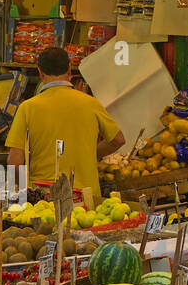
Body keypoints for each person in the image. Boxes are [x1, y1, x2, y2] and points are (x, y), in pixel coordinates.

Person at [6, 46, 124, 198]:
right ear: (69, 70)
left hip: (45, 197)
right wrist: (91, 155)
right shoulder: (91, 103)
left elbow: (14, 162)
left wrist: (26, 189)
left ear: (40, 72)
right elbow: (118, 139)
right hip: (86, 197)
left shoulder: (27, 108)